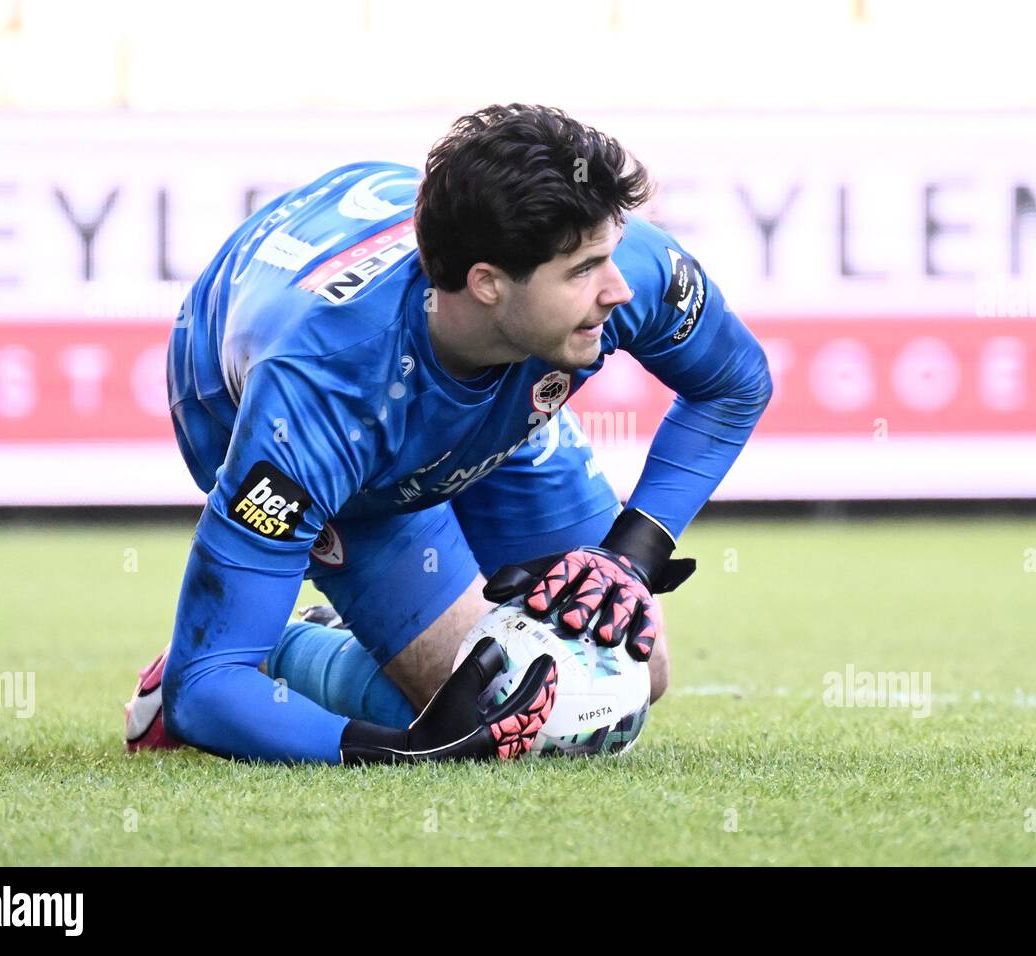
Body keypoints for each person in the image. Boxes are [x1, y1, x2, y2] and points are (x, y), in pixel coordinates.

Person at [125, 103, 772, 765]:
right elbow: (205, 688)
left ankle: (379, 638)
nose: (618, 288)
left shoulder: (615, 262)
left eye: (610, 253)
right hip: (273, 420)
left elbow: (735, 384)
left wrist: (630, 556)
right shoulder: (317, 400)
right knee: (509, 714)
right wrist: (407, 748)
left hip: (479, 371)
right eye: (583, 271)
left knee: (624, 674)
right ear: (488, 283)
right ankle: (287, 655)